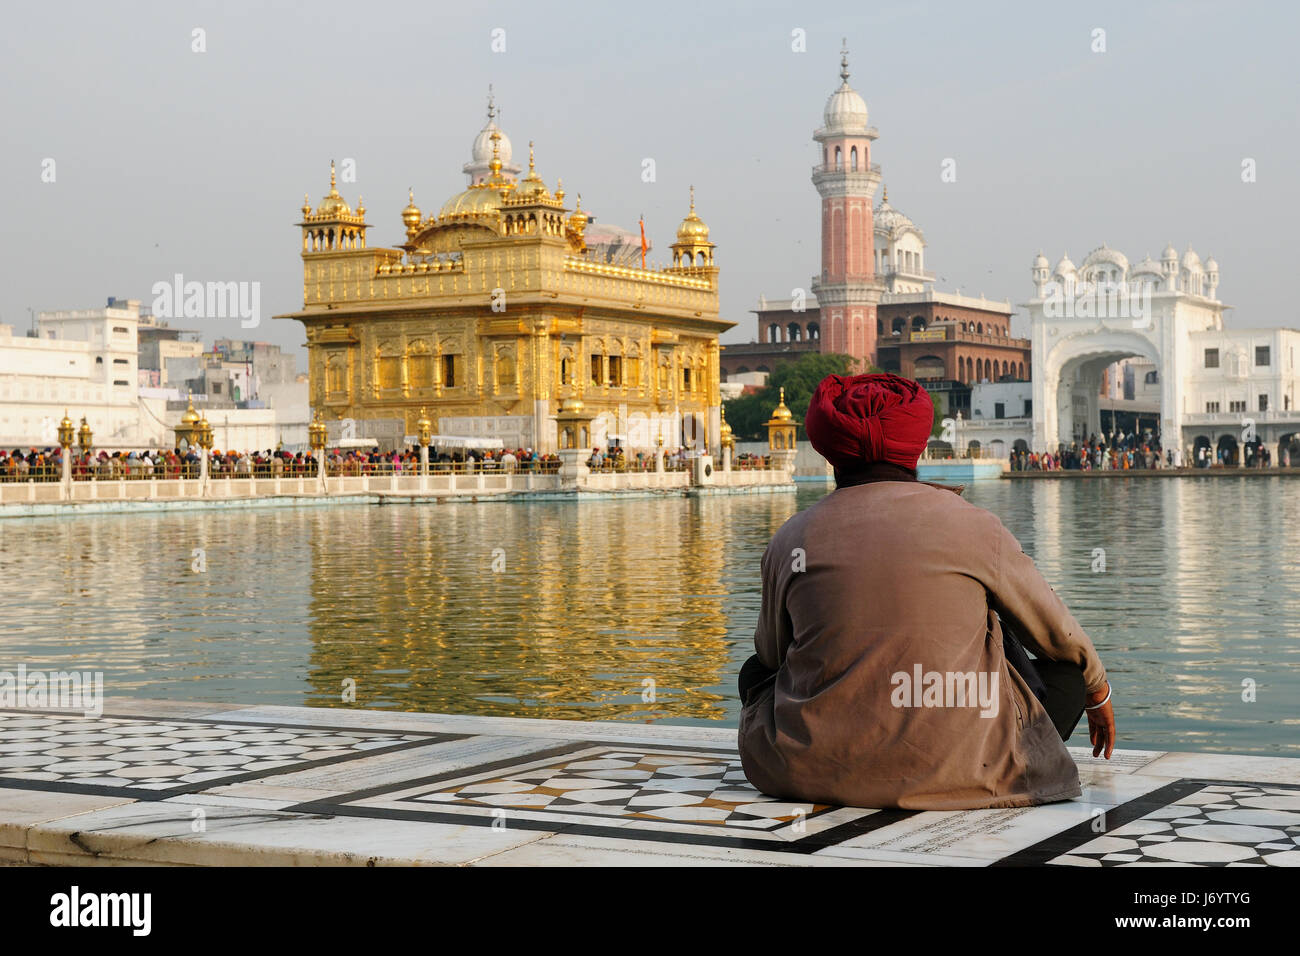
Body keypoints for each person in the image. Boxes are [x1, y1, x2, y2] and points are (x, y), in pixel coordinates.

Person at [738, 372, 1115, 811]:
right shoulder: (973, 526)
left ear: (829, 452)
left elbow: (770, 655)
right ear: (917, 447)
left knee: (754, 672)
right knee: (1069, 674)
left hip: (802, 769)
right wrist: (1097, 690)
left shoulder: (791, 538)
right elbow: (1056, 632)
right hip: (971, 768)